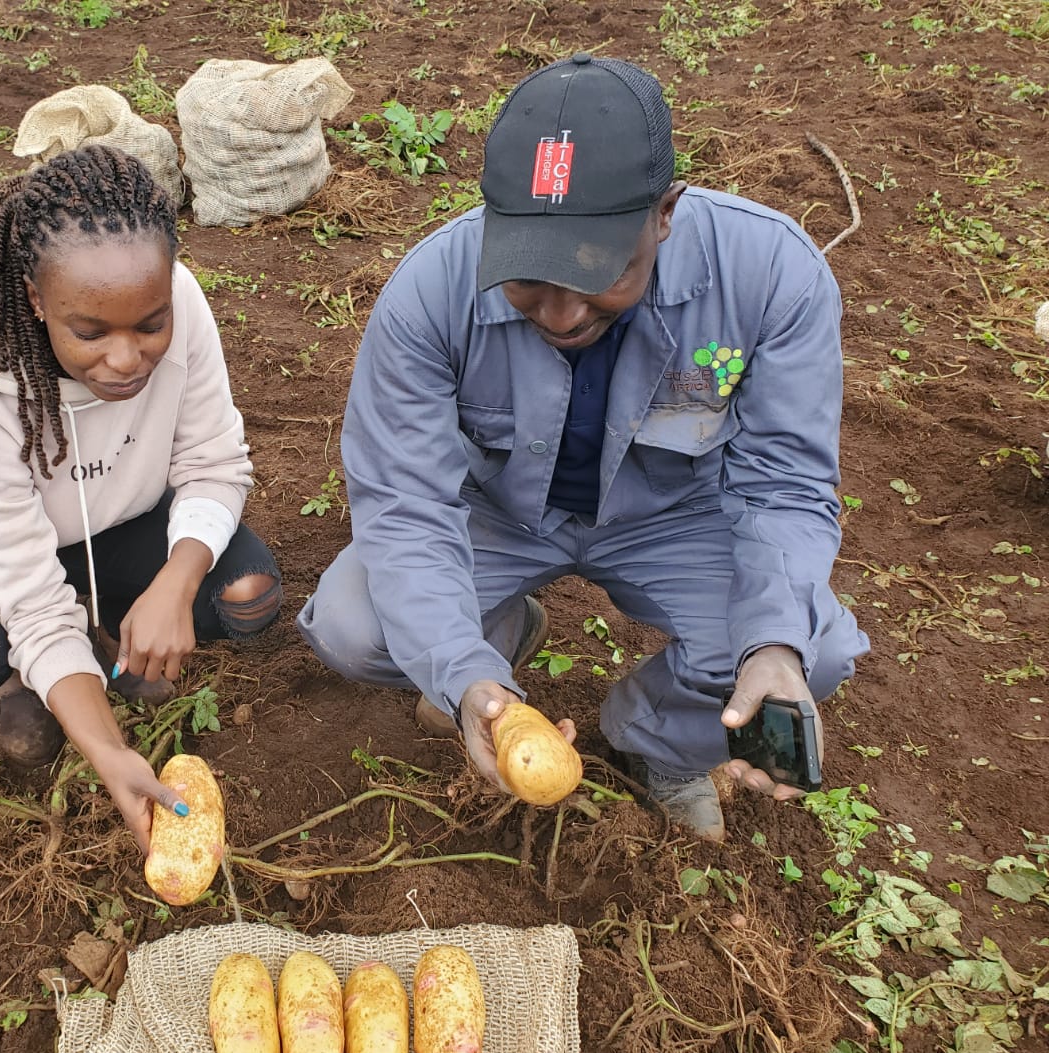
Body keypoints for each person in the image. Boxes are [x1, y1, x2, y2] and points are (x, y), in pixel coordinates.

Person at [298, 53, 869, 842]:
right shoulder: (430, 294)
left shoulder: (770, 275)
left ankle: (655, 740)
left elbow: (784, 486)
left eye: (598, 274)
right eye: (531, 278)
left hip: (673, 518)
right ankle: (494, 637)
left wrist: (770, 645)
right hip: (495, 517)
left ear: (663, 214)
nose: (562, 314)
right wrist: (463, 678)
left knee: (815, 648)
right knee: (356, 626)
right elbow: (404, 505)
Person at [0, 145, 282, 852]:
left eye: (148, 325)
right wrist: (108, 750)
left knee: (243, 595)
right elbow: (24, 584)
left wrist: (176, 579)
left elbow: (215, 461)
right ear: (38, 301)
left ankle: (109, 628)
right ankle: (24, 675)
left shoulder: (181, 300)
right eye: (90, 333)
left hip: (121, 520)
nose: (126, 358)